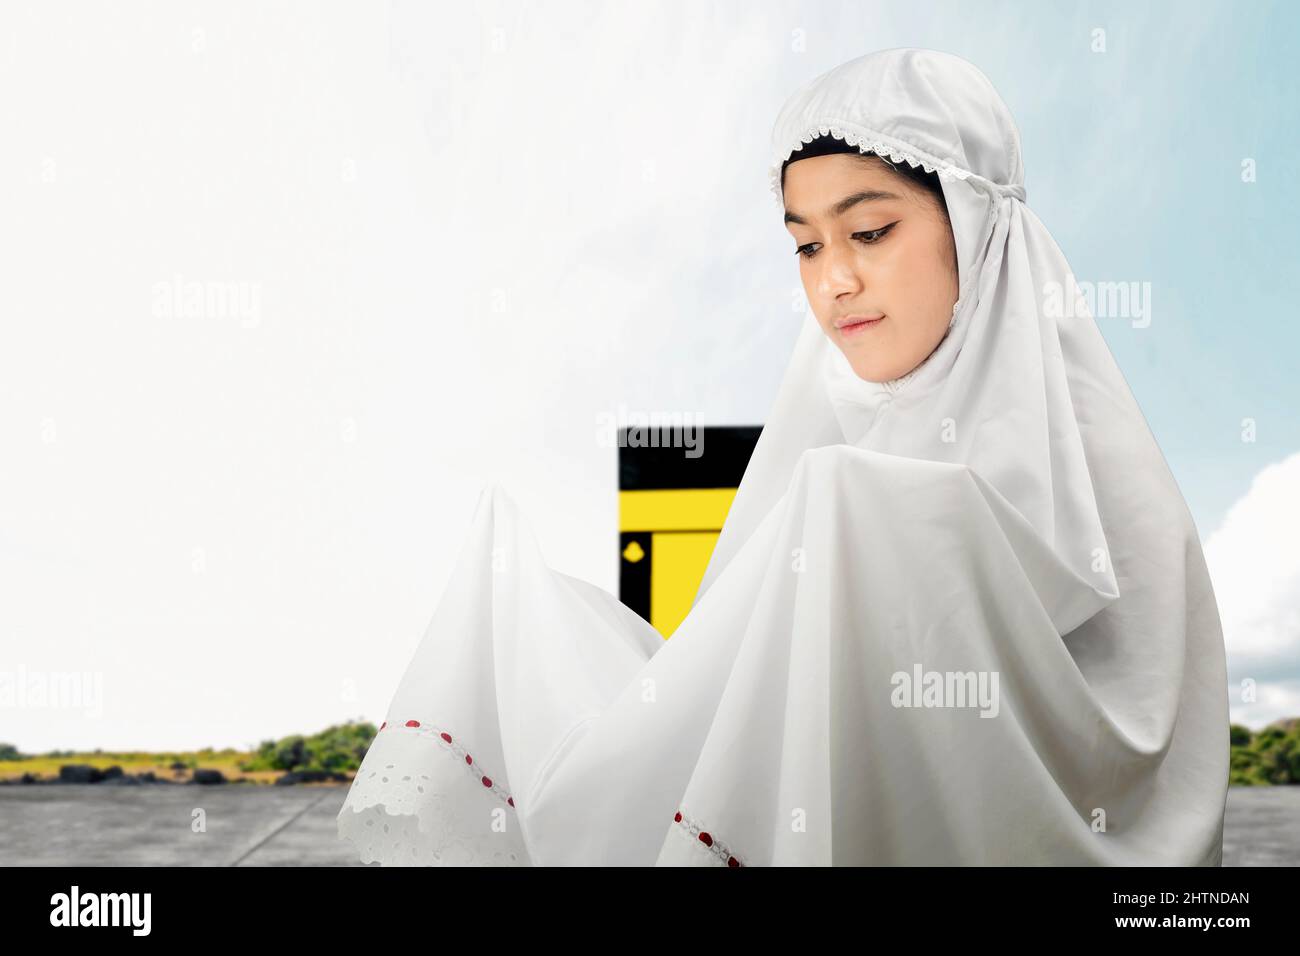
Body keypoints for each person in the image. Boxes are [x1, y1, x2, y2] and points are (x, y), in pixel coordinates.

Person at [337, 47, 1229, 866]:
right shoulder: (834, 441)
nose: (833, 279)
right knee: (528, 621)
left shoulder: (1121, 493)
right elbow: (738, 689)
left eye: (870, 232)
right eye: (806, 245)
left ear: (975, 225)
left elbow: (1146, 784)